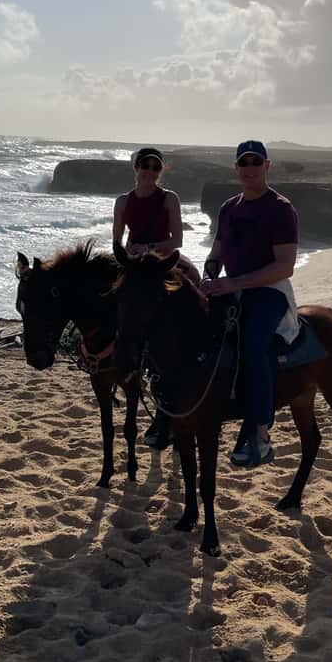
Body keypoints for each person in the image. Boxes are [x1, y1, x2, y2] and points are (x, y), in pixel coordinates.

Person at [201, 140, 299, 468]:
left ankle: (259, 432)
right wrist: (211, 272)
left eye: (256, 162)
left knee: (254, 345)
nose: (250, 168)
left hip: (270, 293)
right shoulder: (229, 207)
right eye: (244, 163)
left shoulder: (281, 209)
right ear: (236, 168)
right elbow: (216, 252)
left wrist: (234, 282)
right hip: (231, 288)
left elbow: (284, 266)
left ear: (267, 166)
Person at [112, 147, 198, 449]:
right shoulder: (123, 201)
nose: (149, 171)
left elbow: (177, 240)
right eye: (144, 166)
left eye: (155, 167)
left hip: (161, 258)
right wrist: (131, 251)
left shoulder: (168, 198)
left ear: (160, 170)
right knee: (113, 295)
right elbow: (117, 240)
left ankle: (191, 343)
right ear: (136, 168)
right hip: (135, 258)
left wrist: (149, 248)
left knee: (193, 280)